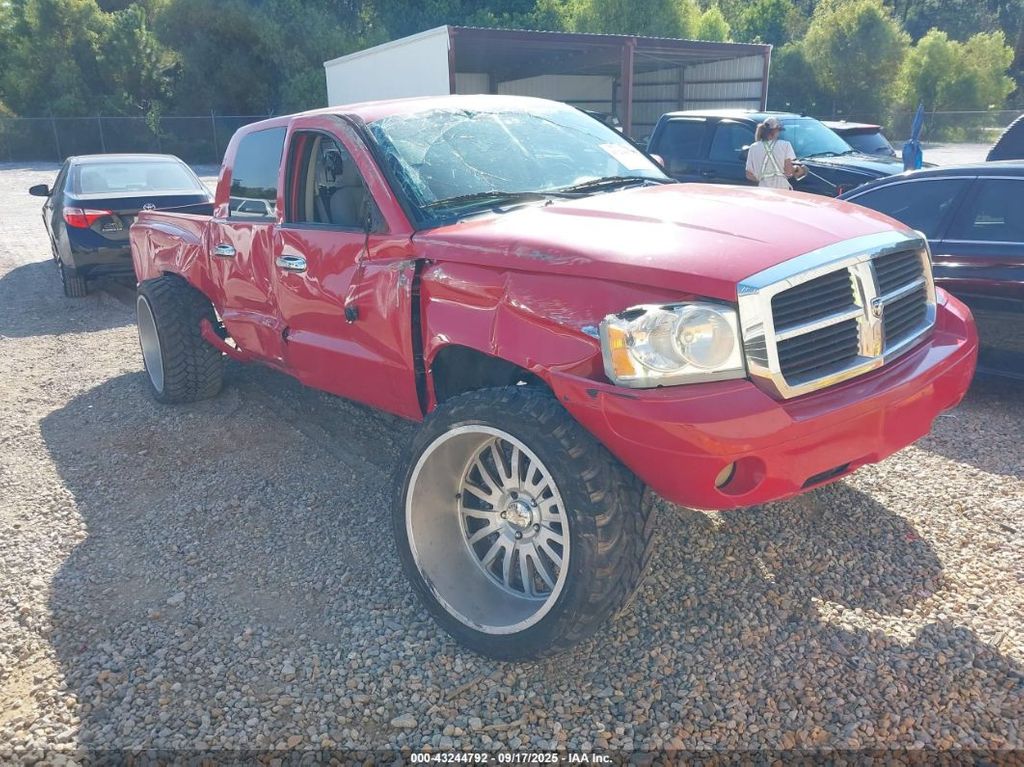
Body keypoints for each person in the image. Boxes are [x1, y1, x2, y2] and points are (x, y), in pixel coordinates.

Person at [745, 117, 799, 189]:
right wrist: (797, 169)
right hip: (781, 187)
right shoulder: (785, 145)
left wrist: (763, 178)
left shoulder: (753, 147)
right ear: (775, 131)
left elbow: (749, 175)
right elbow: (788, 172)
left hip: (763, 187)